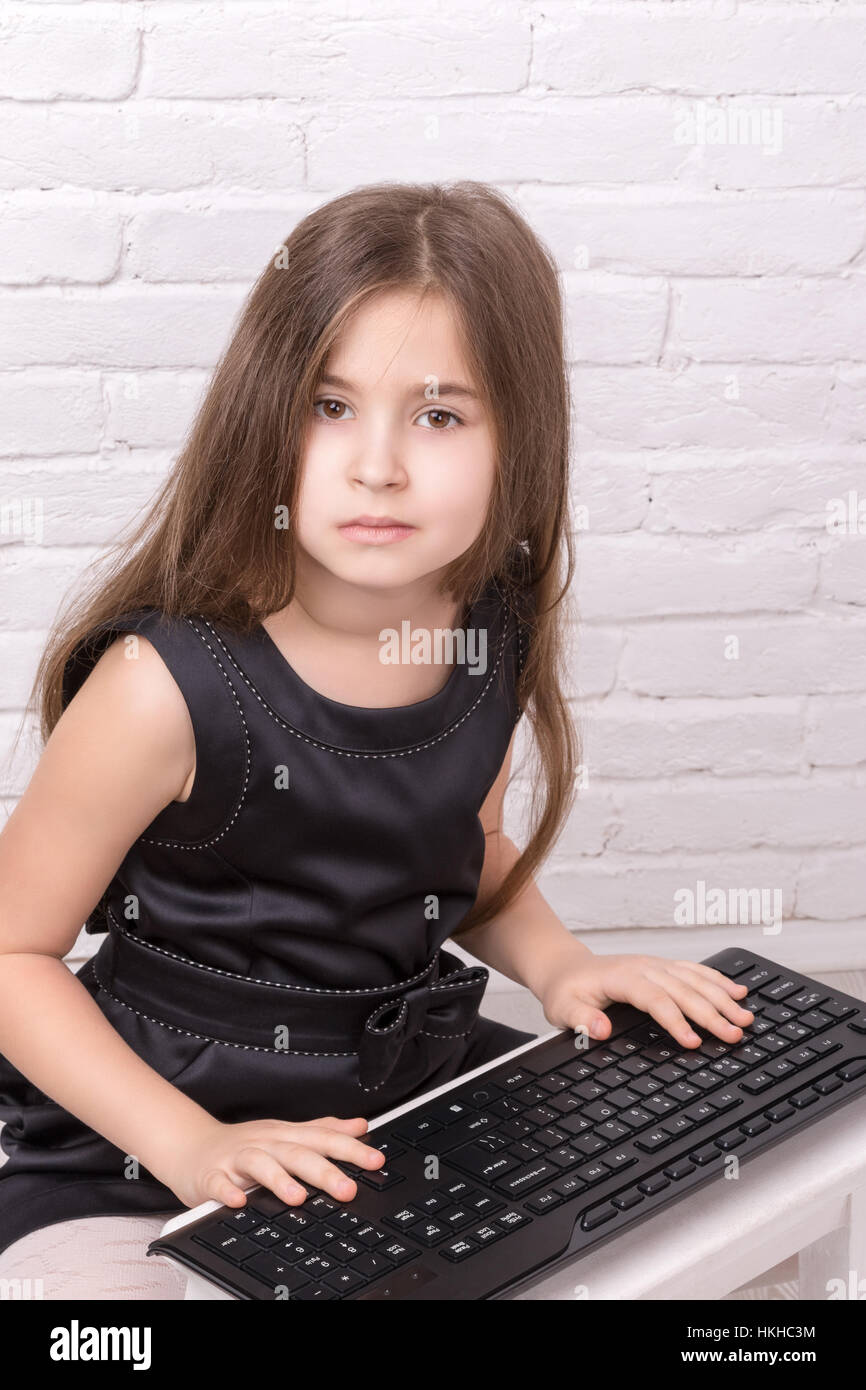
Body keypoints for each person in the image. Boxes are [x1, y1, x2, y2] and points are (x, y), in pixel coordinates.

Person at [0, 181, 753, 1299]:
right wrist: (191, 1146)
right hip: (144, 1146)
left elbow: (464, 848)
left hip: (399, 1103)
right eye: (330, 405)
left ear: (517, 437)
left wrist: (562, 965)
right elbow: (12, 956)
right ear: (263, 414)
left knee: (678, 1225)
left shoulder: (483, 627)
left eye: (439, 414)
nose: (378, 465)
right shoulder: (160, 687)